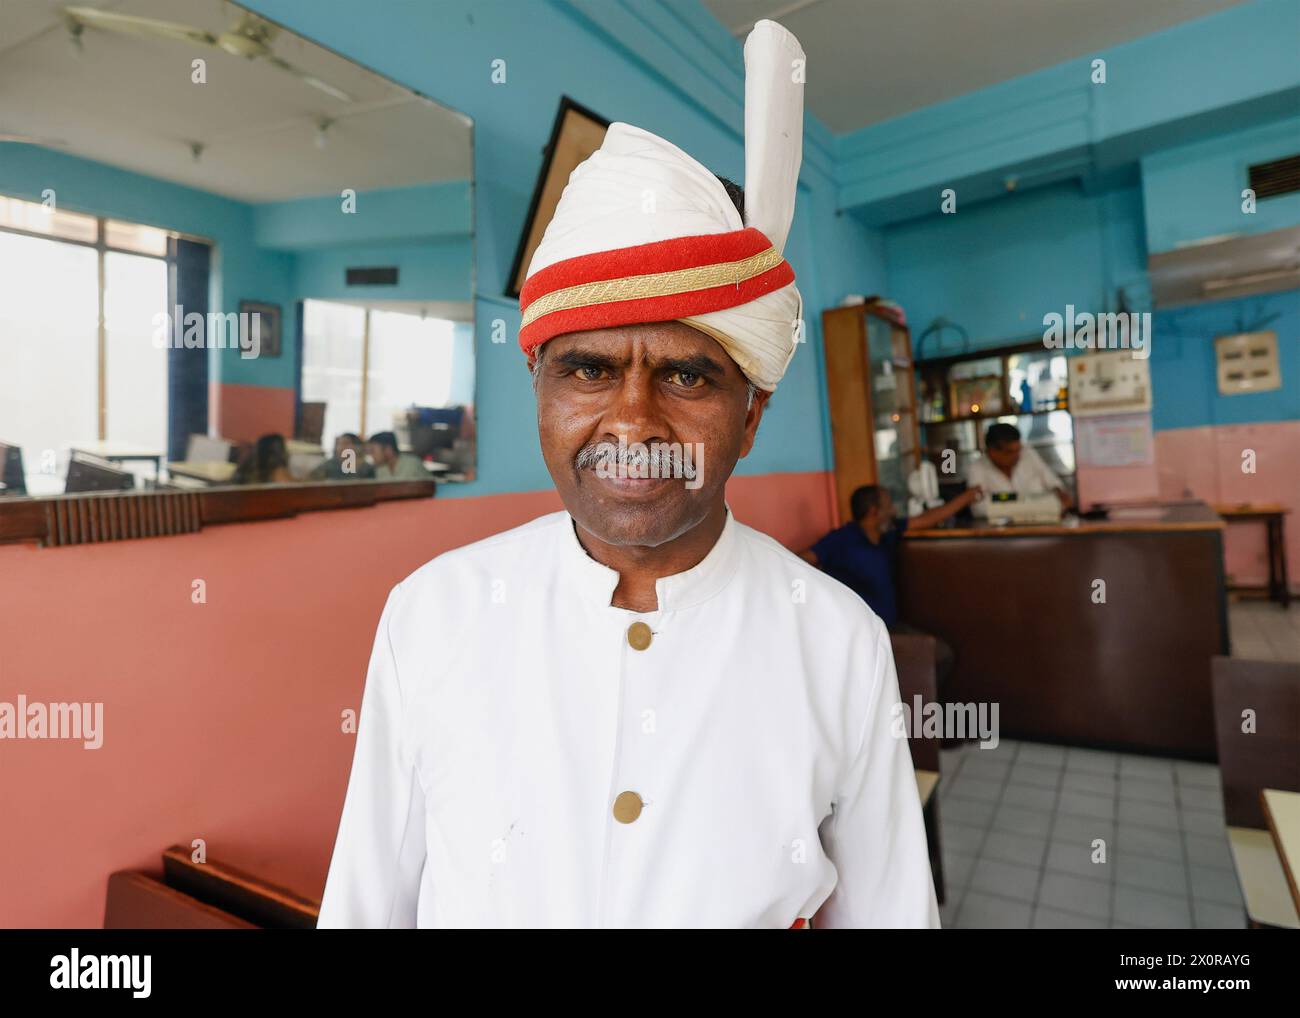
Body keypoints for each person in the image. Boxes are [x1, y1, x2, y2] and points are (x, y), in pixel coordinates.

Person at [318, 21, 937, 929]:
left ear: (753, 413)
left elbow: (890, 917)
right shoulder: (432, 615)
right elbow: (366, 910)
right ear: (540, 390)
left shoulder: (839, 641)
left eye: (688, 376)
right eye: (589, 369)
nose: (635, 421)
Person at [801, 484, 979, 698]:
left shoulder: (889, 533)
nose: (894, 511)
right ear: (874, 512)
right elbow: (800, 561)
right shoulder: (841, 540)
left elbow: (930, 518)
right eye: (889, 506)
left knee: (941, 655)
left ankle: (903, 708)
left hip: (891, 628)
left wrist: (968, 497)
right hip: (860, 632)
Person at [967, 421, 1072, 515]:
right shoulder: (977, 468)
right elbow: (978, 509)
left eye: (1019, 450)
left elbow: (1054, 485)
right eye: (1010, 452)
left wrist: (1060, 497)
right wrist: (1030, 507)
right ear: (992, 451)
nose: (1017, 455)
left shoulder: (1028, 455)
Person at [311, 433, 375, 481]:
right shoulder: (329, 465)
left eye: (345, 443)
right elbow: (309, 479)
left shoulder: (367, 468)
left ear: (357, 447)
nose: (341, 447)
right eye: (339, 444)